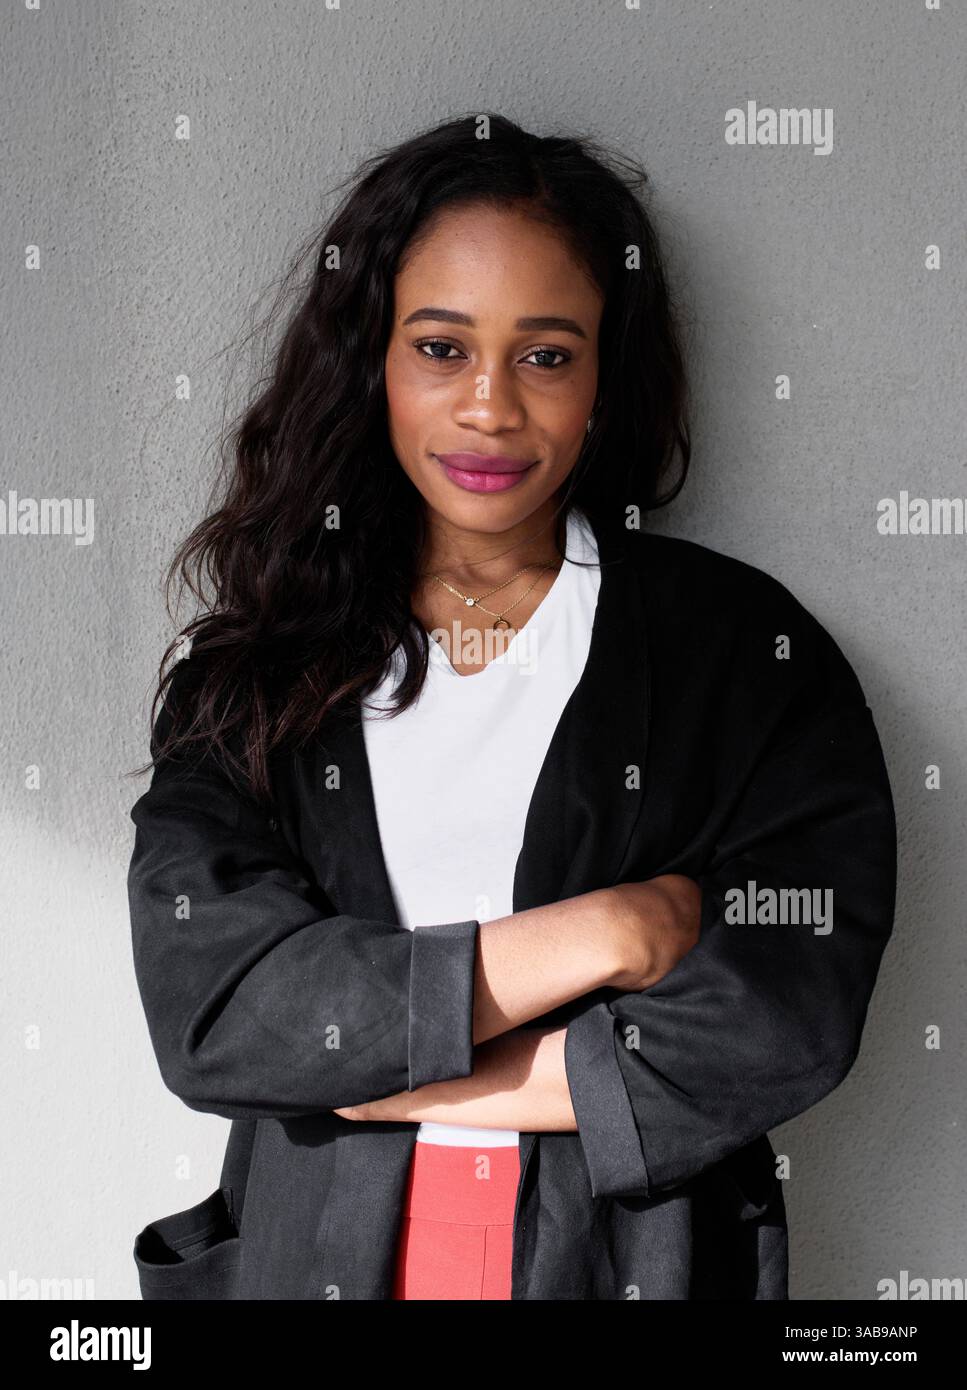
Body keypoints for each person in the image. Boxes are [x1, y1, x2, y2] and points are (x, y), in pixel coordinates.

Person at [127, 112, 897, 1301]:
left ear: (604, 374)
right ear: (370, 360)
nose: (490, 408)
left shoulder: (744, 656)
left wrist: (389, 1071)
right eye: (441, 348)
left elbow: (781, 1016)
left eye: (545, 355)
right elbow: (220, 1007)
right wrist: (612, 930)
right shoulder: (254, 674)